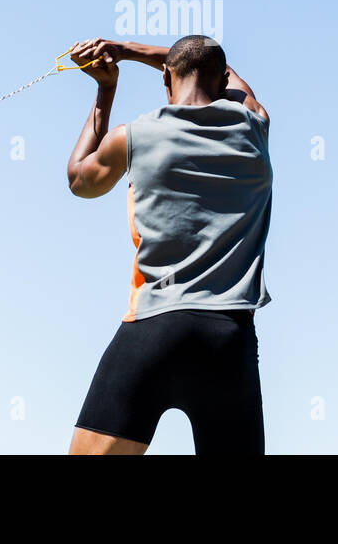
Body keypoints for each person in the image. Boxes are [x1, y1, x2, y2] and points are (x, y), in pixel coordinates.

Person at [64, 35, 273, 455]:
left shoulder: (134, 135)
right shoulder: (253, 124)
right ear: (222, 84)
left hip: (154, 331)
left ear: (166, 78)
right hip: (228, 339)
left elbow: (79, 181)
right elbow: (221, 72)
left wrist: (106, 89)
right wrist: (128, 49)